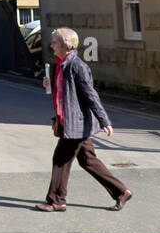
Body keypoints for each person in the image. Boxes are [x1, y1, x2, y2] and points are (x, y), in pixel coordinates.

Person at [35, 26, 131, 212]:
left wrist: (105, 121)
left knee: (61, 159)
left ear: (65, 45)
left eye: (54, 42)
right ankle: (121, 192)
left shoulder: (77, 66)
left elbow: (91, 95)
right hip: (71, 122)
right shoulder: (59, 65)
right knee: (88, 160)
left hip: (76, 124)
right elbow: (62, 93)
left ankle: (56, 200)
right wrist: (49, 84)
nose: (51, 45)